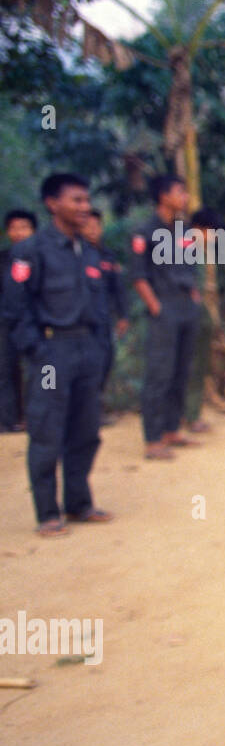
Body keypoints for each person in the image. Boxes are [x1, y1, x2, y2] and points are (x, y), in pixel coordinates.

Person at [1, 175, 112, 536]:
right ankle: (48, 512)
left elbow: (98, 304)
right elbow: (15, 311)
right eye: (76, 201)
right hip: (52, 352)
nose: (84, 208)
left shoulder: (89, 250)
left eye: (86, 201)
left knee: (86, 429)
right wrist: (38, 350)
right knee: (48, 429)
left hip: (87, 349)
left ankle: (79, 503)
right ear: (52, 204)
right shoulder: (30, 251)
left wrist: (99, 348)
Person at [130, 174, 200, 460]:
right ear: (163, 196)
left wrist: (194, 296)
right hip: (164, 306)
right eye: (179, 192)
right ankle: (153, 438)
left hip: (187, 306)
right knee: (159, 373)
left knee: (181, 370)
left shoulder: (184, 229)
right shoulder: (144, 231)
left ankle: (173, 428)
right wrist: (156, 306)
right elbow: (137, 275)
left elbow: (191, 265)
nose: (184, 197)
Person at [82, 209, 130, 420]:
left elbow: (118, 289)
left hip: (103, 319)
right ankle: (80, 414)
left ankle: (95, 410)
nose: (92, 230)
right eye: (87, 225)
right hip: (79, 322)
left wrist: (123, 315)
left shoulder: (108, 256)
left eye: (96, 226)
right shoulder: (75, 254)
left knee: (105, 361)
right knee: (84, 367)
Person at [182, 207, 224, 434]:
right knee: (191, 365)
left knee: (198, 366)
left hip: (201, 314)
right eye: (212, 231)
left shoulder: (203, 251)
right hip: (188, 314)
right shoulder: (185, 248)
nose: (215, 237)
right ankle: (186, 415)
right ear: (200, 229)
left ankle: (191, 413)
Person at [1, 208, 38, 432]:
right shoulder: (3, 259)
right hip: (5, 322)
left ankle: (35, 417)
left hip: (35, 321)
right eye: (14, 228)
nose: (19, 233)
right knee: (5, 370)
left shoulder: (43, 257)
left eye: (24, 227)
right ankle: (8, 419)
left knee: (40, 370)